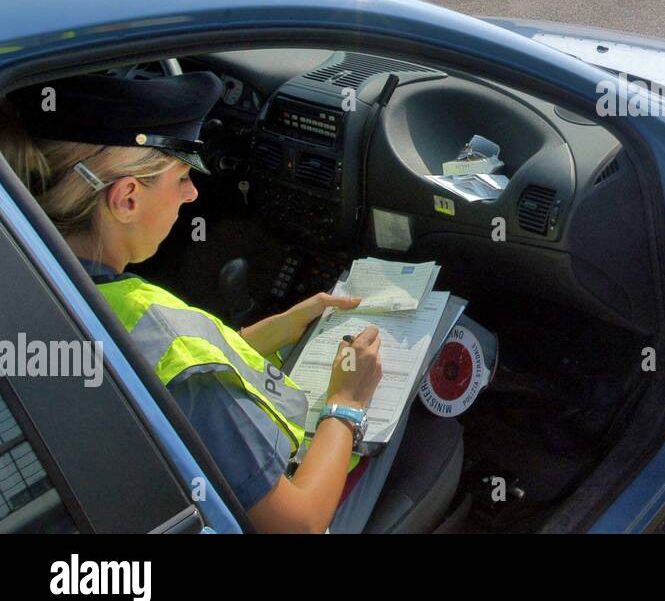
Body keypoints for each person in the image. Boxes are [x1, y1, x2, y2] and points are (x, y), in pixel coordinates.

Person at [0, 71, 387, 533]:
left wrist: (261, 337)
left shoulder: (36, 280)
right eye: (182, 176)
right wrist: (347, 402)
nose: (192, 193)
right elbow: (297, 524)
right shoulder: (164, 336)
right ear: (126, 198)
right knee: (434, 443)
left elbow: (146, 374)